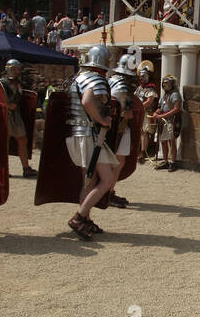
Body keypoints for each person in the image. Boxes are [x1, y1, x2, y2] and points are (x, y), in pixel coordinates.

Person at [65, 44, 121, 238]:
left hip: (77, 133)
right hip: (89, 135)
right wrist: (101, 119)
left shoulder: (77, 78)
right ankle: (79, 217)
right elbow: (87, 101)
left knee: (89, 181)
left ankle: (86, 220)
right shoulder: (95, 78)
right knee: (107, 179)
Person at [107, 53, 140, 206]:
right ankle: (107, 192)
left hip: (108, 126)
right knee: (118, 162)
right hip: (118, 127)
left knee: (113, 161)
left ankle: (108, 191)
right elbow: (126, 112)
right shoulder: (121, 86)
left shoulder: (109, 81)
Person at [0, 59, 36, 178]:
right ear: (8, 69)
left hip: (15, 115)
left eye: (17, 69)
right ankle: (3, 170)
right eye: (14, 69)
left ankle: (26, 168)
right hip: (5, 114)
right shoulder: (2, 83)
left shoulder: (17, 83)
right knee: (4, 142)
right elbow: (1, 99)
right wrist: (8, 105)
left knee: (22, 140)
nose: (16, 71)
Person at [153, 74, 182, 171]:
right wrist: (156, 113)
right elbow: (160, 108)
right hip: (163, 121)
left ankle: (172, 162)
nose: (164, 85)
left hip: (171, 121)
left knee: (171, 141)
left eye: (167, 83)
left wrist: (162, 116)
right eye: (164, 83)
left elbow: (177, 109)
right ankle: (165, 161)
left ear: (171, 84)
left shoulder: (175, 94)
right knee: (163, 141)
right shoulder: (165, 95)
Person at [136, 61, 159, 161]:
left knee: (144, 132)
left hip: (146, 113)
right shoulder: (139, 88)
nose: (141, 78)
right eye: (140, 76)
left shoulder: (151, 87)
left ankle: (143, 152)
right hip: (138, 112)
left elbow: (149, 101)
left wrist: (139, 106)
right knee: (138, 132)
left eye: (143, 76)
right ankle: (137, 151)